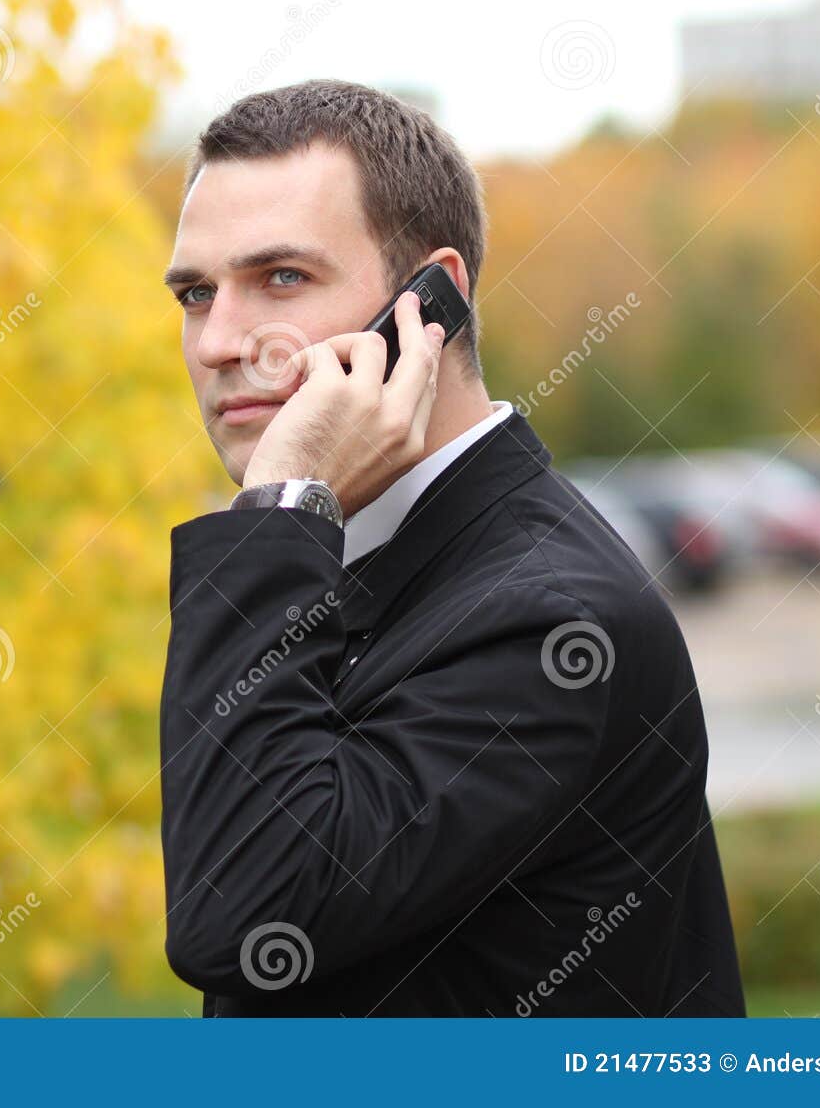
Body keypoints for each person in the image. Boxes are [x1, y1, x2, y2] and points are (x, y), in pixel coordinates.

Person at [157, 79, 745, 1017]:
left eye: (280, 278)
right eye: (195, 293)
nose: (220, 341)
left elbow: (242, 915)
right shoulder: (341, 556)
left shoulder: (551, 621)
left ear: (433, 302)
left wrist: (283, 502)